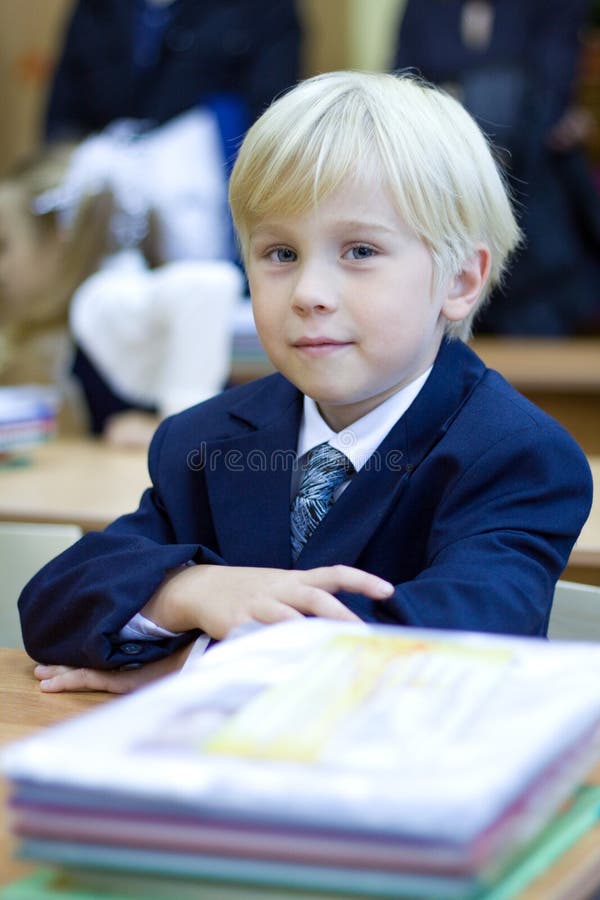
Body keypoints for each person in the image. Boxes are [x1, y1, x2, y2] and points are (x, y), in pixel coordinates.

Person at [20, 71, 592, 695]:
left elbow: (456, 645)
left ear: (460, 281)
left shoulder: (516, 456)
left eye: (360, 252)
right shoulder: (204, 439)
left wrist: (189, 665)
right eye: (280, 254)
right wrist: (192, 588)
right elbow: (55, 603)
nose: (309, 294)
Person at [392, 0, 600, 336]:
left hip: (531, 203)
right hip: (440, 185)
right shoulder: (423, 7)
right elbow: (399, 96)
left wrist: (456, 94)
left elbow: (546, 100)